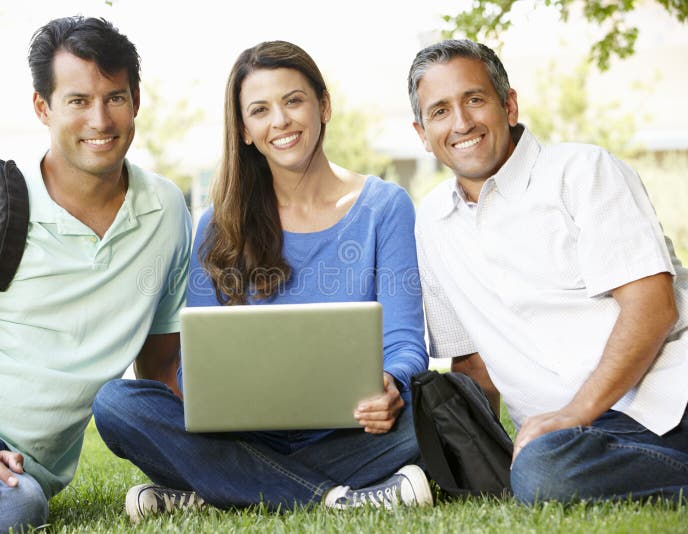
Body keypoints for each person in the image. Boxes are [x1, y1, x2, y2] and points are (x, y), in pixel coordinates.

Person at [92, 40, 431, 520]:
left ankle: (217, 489)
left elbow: (405, 345)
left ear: (323, 106)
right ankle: (338, 497)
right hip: (242, 434)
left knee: (433, 411)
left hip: (357, 429)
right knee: (117, 404)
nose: (281, 121)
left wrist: (391, 382)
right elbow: (194, 368)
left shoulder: (385, 207)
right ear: (245, 130)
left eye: (293, 101)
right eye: (260, 110)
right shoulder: (218, 224)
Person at [0, 16, 191, 532]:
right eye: (77, 101)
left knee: (18, 507)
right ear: (42, 107)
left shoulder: (166, 213)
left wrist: (214, 455)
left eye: (115, 97)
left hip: (10, 462)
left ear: (135, 101)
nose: (100, 119)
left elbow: (161, 368)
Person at [408, 39, 688, 504]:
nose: (461, 123)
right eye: (440, 111)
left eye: (474, 99)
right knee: (543, 472)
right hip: (576, 443)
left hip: (669, 401)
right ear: (421, 133)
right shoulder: (432, 222)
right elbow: (471, 363)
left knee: (544, 474)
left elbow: (652, 308)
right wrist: (482, 452)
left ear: (509, 105)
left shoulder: (582, 171)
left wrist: (574, 413)